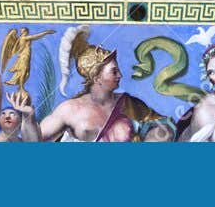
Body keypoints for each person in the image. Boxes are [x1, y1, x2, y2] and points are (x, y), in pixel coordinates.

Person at [31, 28, 162, 141]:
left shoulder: (129, 103)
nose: (120, 75)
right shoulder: (69, 109)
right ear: (97, 78)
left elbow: (162, 125)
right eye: (114, 71)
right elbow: (34, 142)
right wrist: (27, 118)